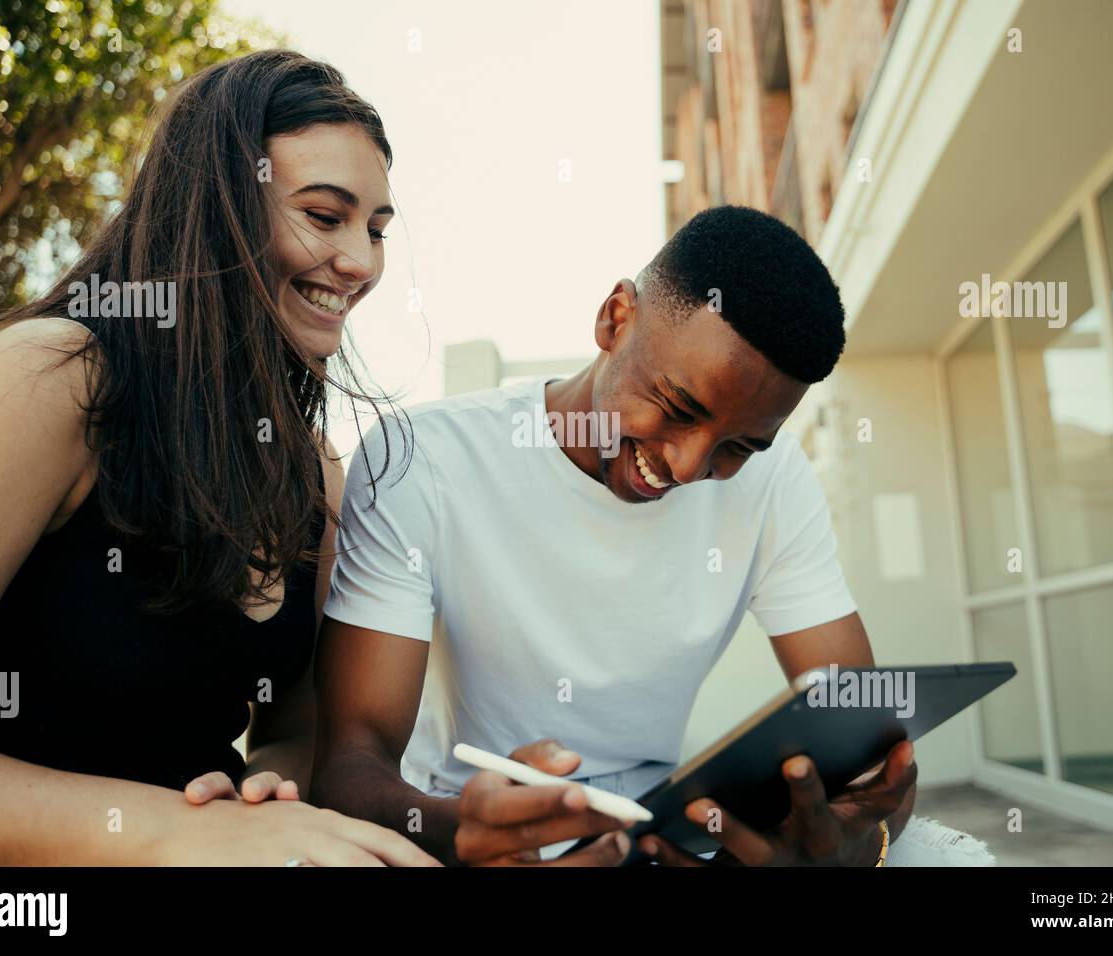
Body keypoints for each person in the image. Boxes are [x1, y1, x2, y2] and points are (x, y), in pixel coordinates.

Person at [0, 50, 436, 867]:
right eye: (325, 216)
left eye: (375, 230)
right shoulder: (56, 381)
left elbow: (292, 733)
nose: (363, 263)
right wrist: (169, 828)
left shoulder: (312, 474)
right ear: (218, 207)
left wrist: (266, 790)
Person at [311, 204, 916, 866]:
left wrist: (847, 831)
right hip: (459, 819)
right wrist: (469, 835)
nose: (689, 467)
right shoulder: (423, 458)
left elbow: (864, 745)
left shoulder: (777, 483)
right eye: (678, 407)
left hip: (662, 837)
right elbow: (347, 770)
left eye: (739, 446)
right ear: (615, 318)